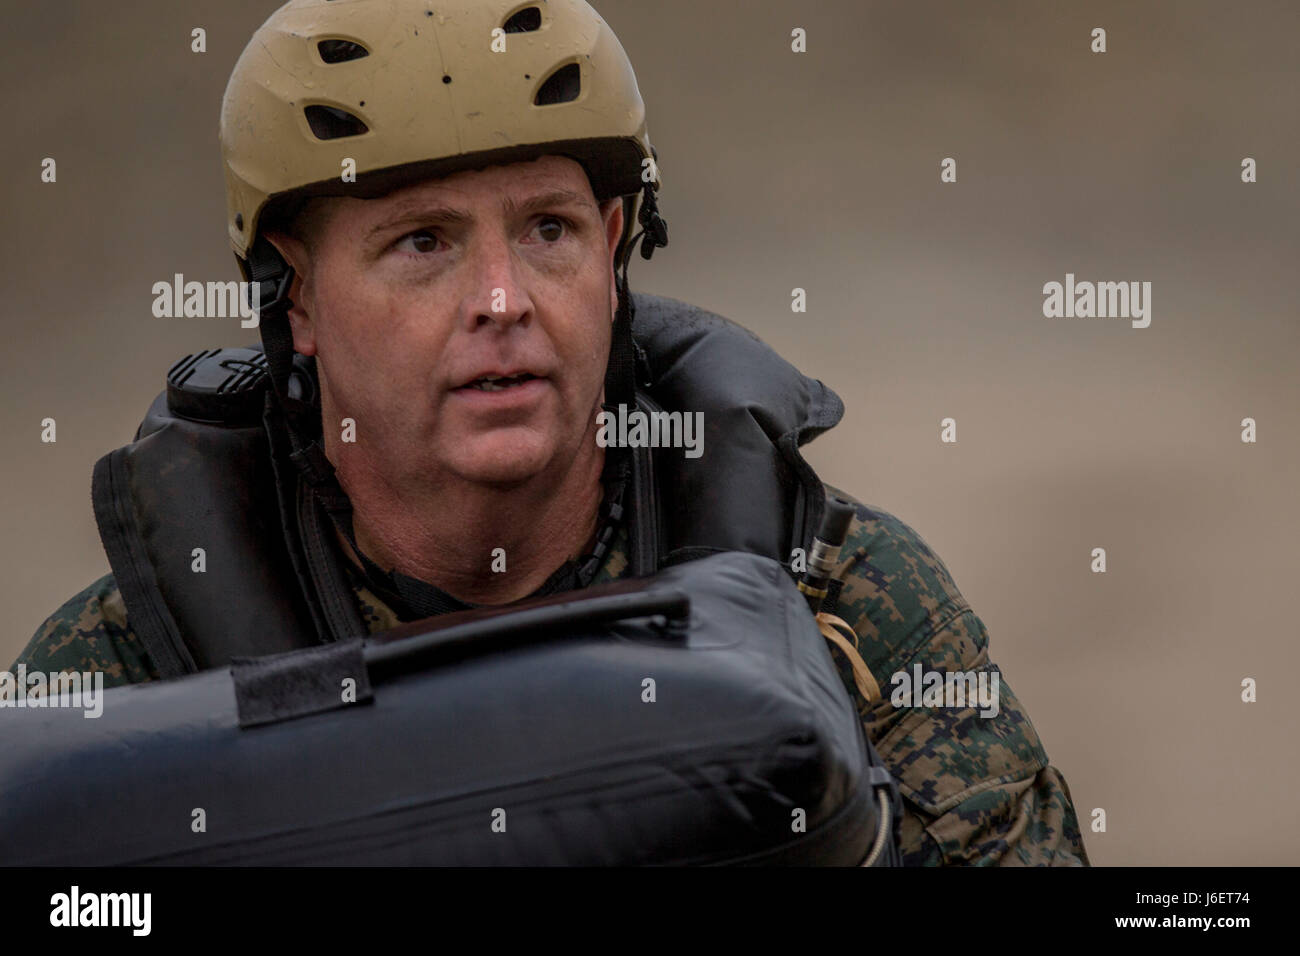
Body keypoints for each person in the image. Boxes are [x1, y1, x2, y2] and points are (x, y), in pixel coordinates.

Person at [13, 0, 1088, 866]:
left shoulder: (843, 610)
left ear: (614, 245)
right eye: (423, 242)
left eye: (547, 229)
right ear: (296, 297)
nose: (500, 298)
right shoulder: (127, 682)